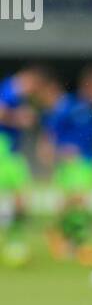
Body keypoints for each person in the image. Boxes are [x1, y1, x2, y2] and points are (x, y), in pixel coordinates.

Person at [39, 65, 92, 263]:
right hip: (70, 162)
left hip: (91, 162)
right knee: (76, 202)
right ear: (86, 86)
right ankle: (80, 245)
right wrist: (49, 147)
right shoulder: (69, 105)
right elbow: (52, 129)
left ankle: (61, 235)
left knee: (77, 203)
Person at [0, 67, 47, 262]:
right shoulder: (10, 90)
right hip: (4, 149)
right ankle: (14, 241)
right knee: (20, 196)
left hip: (12, 151)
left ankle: (15, 241)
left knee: (21, 197)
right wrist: (20, 118)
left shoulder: (16, 94)